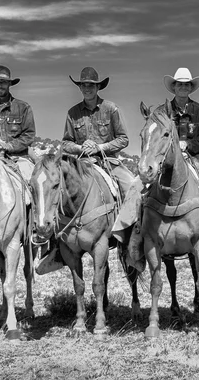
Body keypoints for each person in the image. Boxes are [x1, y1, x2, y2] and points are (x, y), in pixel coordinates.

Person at [126, 68, 199, 271]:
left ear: (191, 87)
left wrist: (187, 147)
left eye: (186, 84)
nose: (183, 87)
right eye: (179, 84)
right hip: (166, 163)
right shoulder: (161, 112)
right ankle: (137, 235)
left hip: (198, 161)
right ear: (173, 87)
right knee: (135, 187)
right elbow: (153, 135)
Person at [45, 67, 142, 270]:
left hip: (109, 162)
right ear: (80, 87)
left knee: (133, 187)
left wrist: (100, 147)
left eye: (91, 85)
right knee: (52, 191)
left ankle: (133, 243)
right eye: (83, 85)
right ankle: (55, 248)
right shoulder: (73, 113)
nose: (87, 88)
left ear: (98, 87)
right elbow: (66, 143)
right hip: (80, 164)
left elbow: (123, 139)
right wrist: (81, 147)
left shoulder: (111, 109)